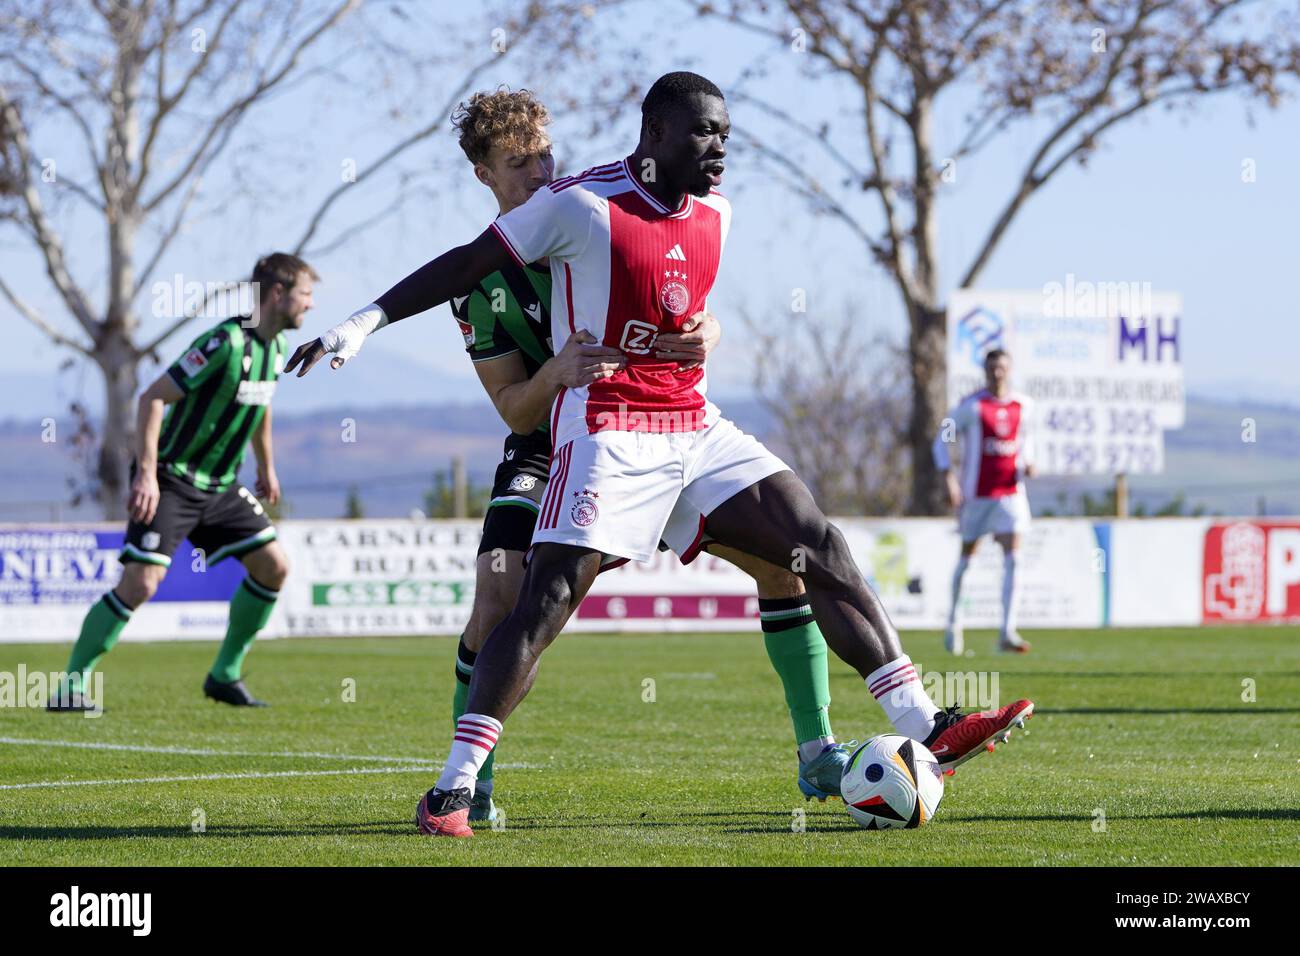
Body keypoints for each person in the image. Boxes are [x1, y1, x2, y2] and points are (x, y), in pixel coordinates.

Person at [287, 72, 1035, 838]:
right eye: (705, 134)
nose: (719, 150)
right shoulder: (575, 208)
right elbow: (475, 301)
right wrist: (362, 323)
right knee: (525, 600)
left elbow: (683, 303)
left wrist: (705, 334)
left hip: (692, 422)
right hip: (598, 432)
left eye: (726, 136)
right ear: (654, 135)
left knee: (811, 544)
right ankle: (456, 788)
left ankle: (918, 721)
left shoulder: (715, 212)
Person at [438, 88, 850, 821]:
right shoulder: (482, 282)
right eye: (516, 163)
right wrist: (555, 373)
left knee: (784, 564)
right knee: (500, 596)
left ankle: (818, 756)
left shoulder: (591, 213)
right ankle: (474, 781)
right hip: (549, 445)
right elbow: (512, 407)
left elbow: (679, 295)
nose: (537, 173)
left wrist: (711, 331)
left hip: (653, 432)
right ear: (483, 175)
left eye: (544, 155)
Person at [50, 253, 314, 711]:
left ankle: (224, 675)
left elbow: (261, 405)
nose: (310, 305)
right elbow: (152, 397)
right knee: (141, 584)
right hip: (171, 480)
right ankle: (69, 687)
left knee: (275, 566)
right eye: (305, 294)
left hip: (221, 486)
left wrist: (266, 466)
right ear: (277, 293)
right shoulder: (224, 342)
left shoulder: (272, 350)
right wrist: (147, 475)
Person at [932, 348, 1035, 655]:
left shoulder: (1024, 406)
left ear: (1010, 369)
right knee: (967, 559)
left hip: (1011, 494)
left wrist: (1029, 462)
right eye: (992, 368)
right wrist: (950, 479)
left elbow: (1027, 442)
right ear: (985, 371)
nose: (997, 373)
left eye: (1002, 367)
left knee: (1014, 557)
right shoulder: (971, 407)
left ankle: (1007, 631)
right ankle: (953, 624)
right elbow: (941, 442)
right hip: (977, 496)